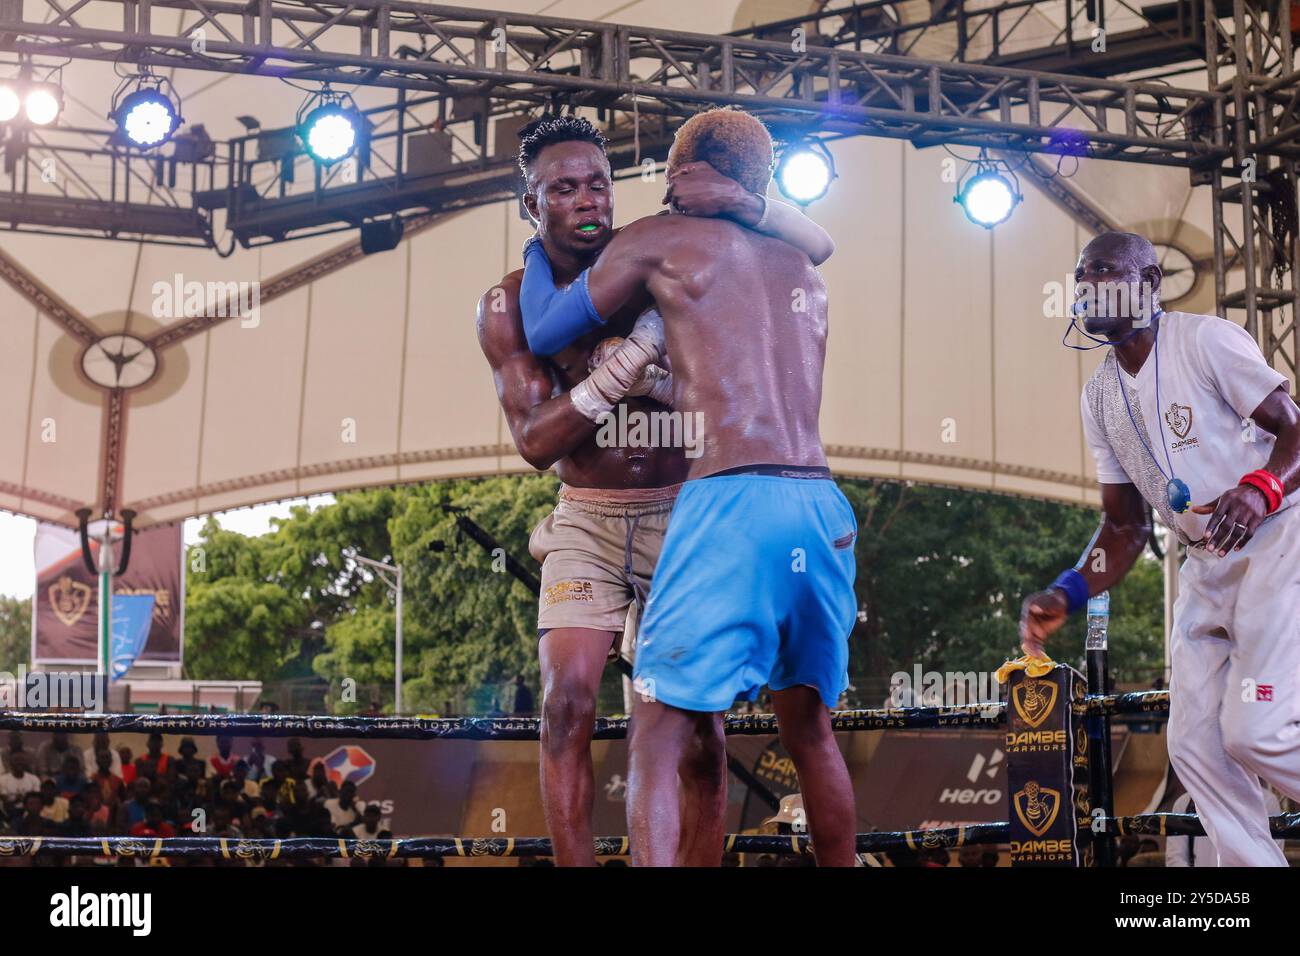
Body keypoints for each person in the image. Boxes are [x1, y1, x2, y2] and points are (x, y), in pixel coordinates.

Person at [477, 114, 834, 866]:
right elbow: (535, 442)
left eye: (598, 184)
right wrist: (619, 373)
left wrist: (661, 371)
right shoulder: (508, 303)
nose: (587, 201)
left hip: (686, 508)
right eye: (564, 189)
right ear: (530, 204)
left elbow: (810, 251)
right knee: (565, 702)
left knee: (698, 730)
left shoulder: (655, 253)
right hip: (588, 517)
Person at [1018, 231, 1300, 866]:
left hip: (1280, 540)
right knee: (1195, 748)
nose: (1088, 284)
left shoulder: (1204, 341)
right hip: (1206, 562)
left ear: (1148, 283)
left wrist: (1261, 488)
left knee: (1254, 733)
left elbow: (1296, 428)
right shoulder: (1098, 397)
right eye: (1081, 275)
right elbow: (1126, 528)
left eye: (1105, 270)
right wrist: (1068, 590)